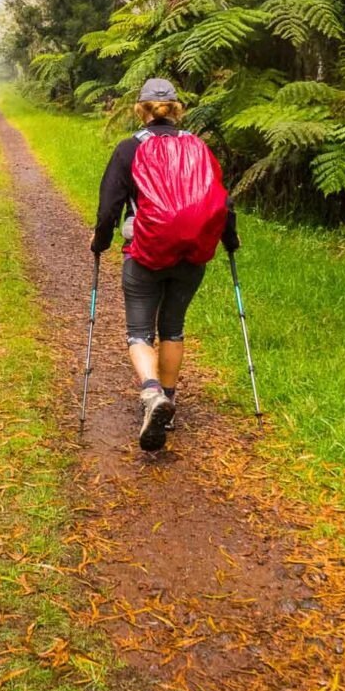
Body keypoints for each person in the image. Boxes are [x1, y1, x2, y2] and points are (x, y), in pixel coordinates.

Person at [90, 78, 238, 452]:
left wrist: (100, 241)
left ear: (140, 110)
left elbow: (109, 205)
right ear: (177, 110)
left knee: (139, 332)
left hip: (145, 253)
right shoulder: (199, 147)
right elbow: (222, 200)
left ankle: (153, 395)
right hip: (193, 255)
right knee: (173, 328)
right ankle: (168, 405)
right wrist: (229, 241)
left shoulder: (129, 149)